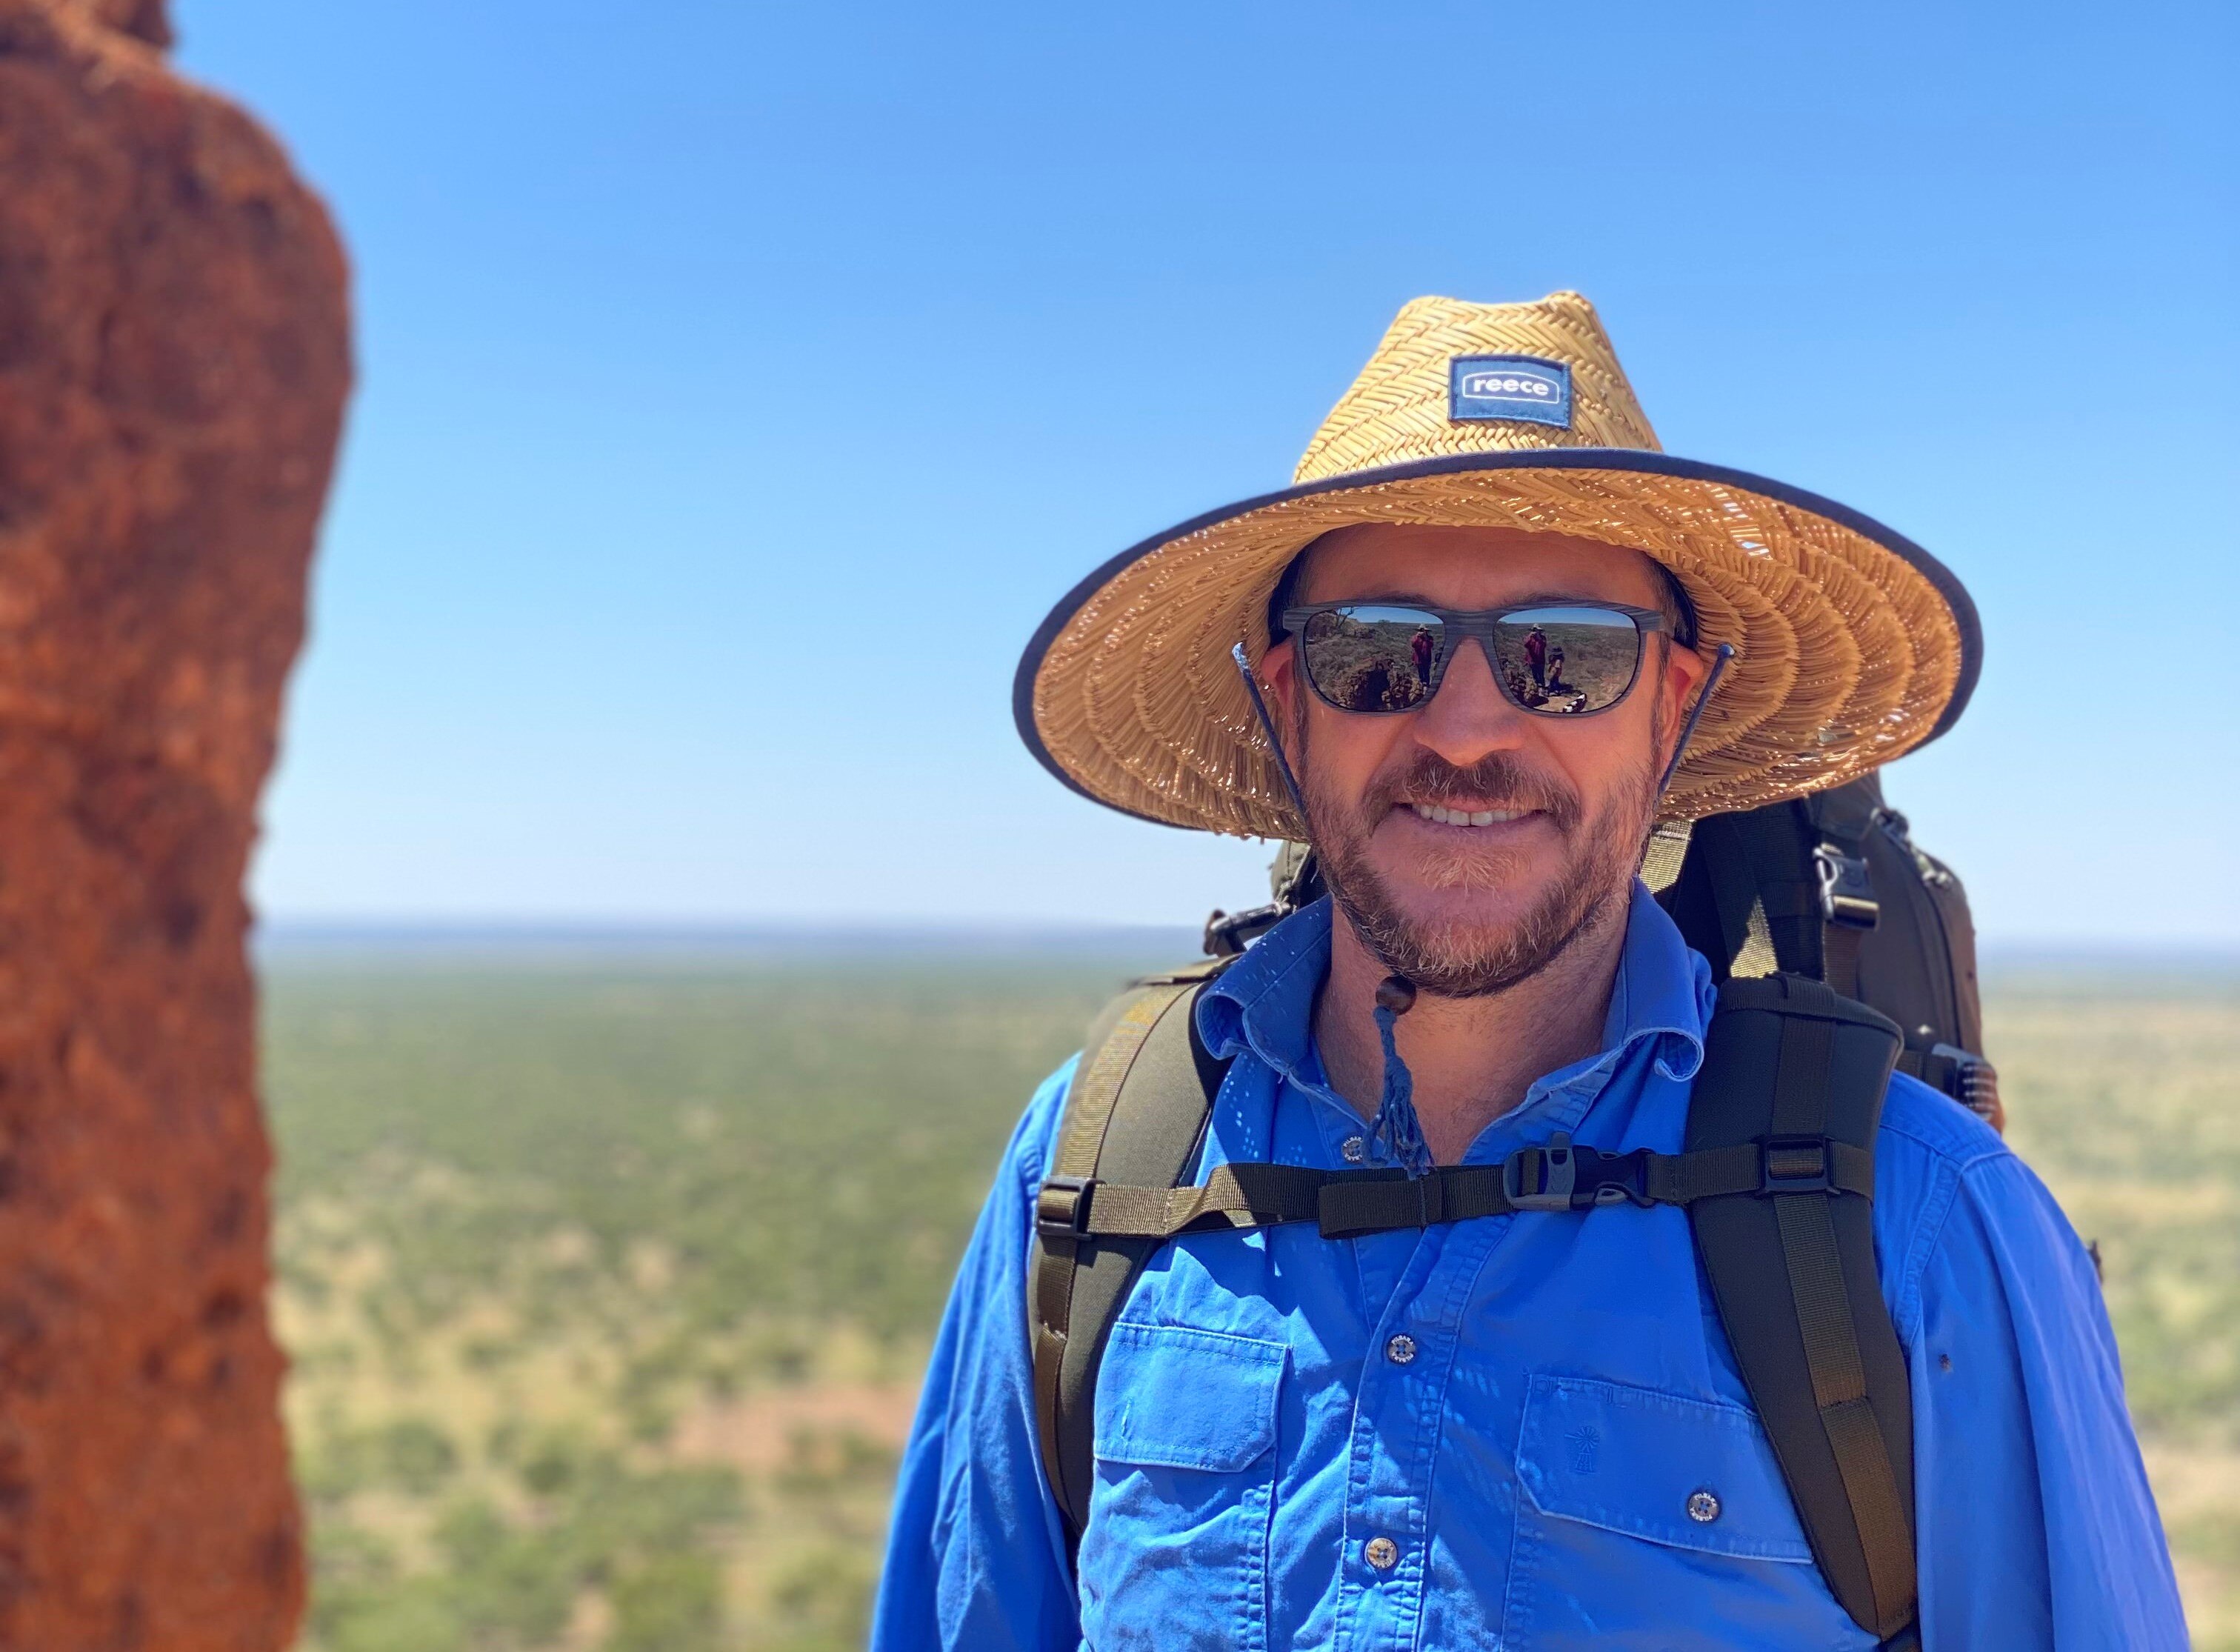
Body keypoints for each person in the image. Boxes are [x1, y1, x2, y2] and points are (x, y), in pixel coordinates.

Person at [873, 293, 2185, 1650]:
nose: (1464, 724)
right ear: (1284, 698)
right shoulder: (1090, 1180)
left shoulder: (1926, 1224)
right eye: (1377, 651)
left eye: (1568, 656)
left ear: (1674, 703)